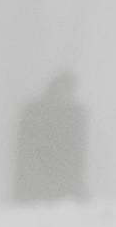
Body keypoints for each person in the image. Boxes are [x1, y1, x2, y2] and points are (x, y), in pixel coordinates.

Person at [13, 70, 87, 204]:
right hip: (40, 186)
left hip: (55, 186)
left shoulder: (72, 115)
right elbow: (26, 152)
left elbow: (76, 154)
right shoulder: (36, 112)